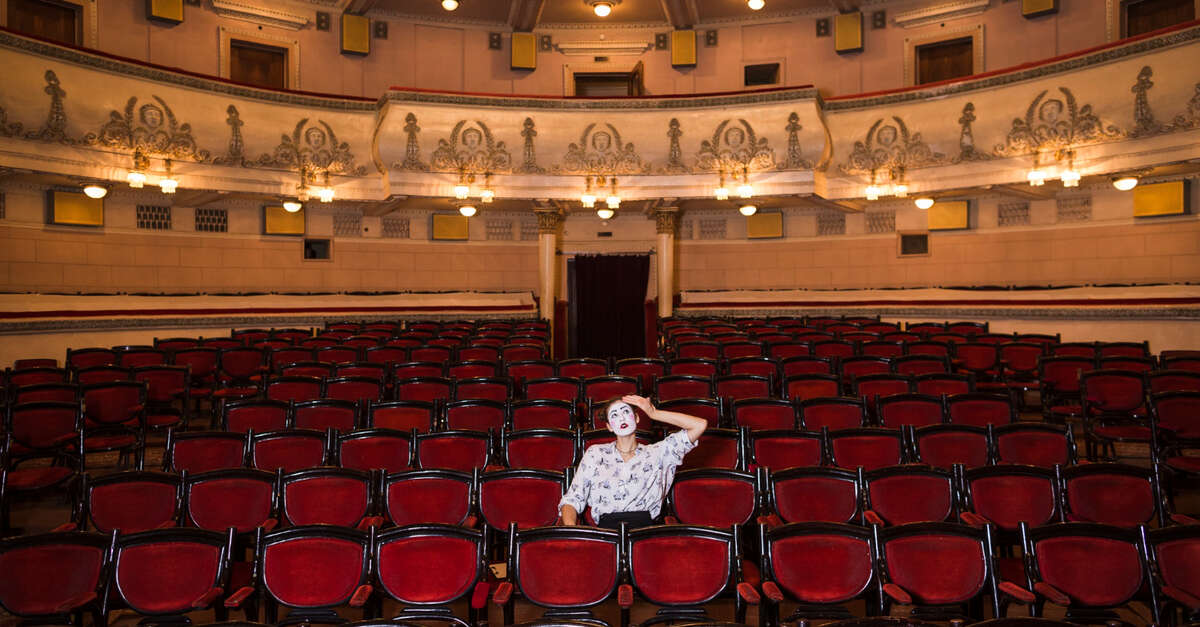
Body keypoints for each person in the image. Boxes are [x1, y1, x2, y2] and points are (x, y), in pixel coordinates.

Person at [558, 394, 708, 529]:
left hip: (644, 534)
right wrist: (571, 530)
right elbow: (572, 500)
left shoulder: (659, 453)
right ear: (609, 426)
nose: (622, 418)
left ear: (636, 418)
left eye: (625, 412)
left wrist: (654, 413)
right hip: (607, 534)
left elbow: (699, 425)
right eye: (614, 415)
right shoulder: (595, 453)